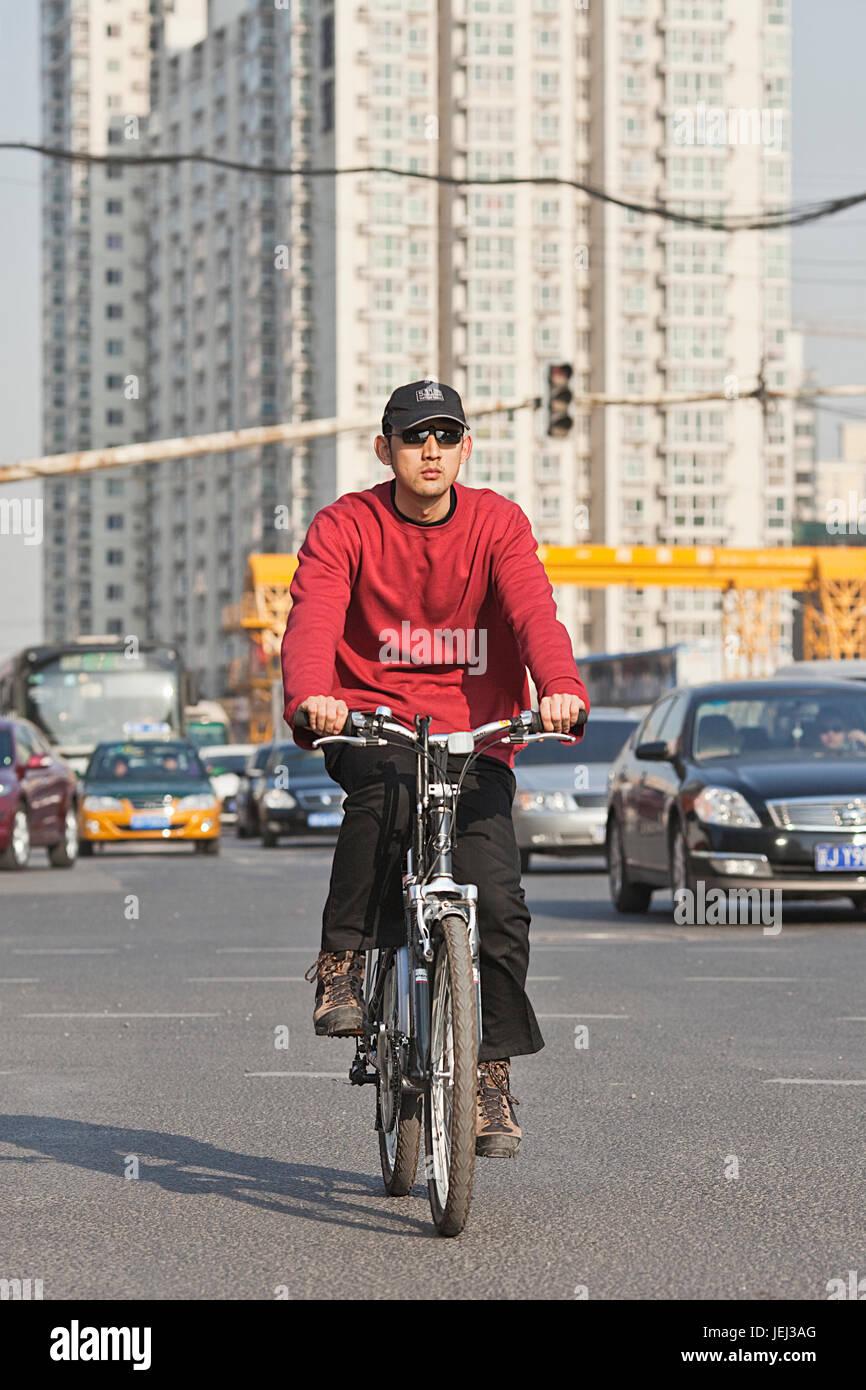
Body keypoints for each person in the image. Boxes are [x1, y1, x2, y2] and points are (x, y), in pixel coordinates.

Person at [281, 379, 590, 1159]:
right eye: (415, 437)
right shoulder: (345, 524)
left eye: (445, 437)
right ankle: (343, 962)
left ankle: (487, 1072)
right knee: (381, 803)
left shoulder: (497, 524)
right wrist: (313, 696)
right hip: (372, 720)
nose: (430, 451)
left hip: (475, 735)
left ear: (464, 449)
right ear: (385, 449)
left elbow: (533, 612)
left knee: (503, 903)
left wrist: (560, 689)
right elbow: (315, 614)